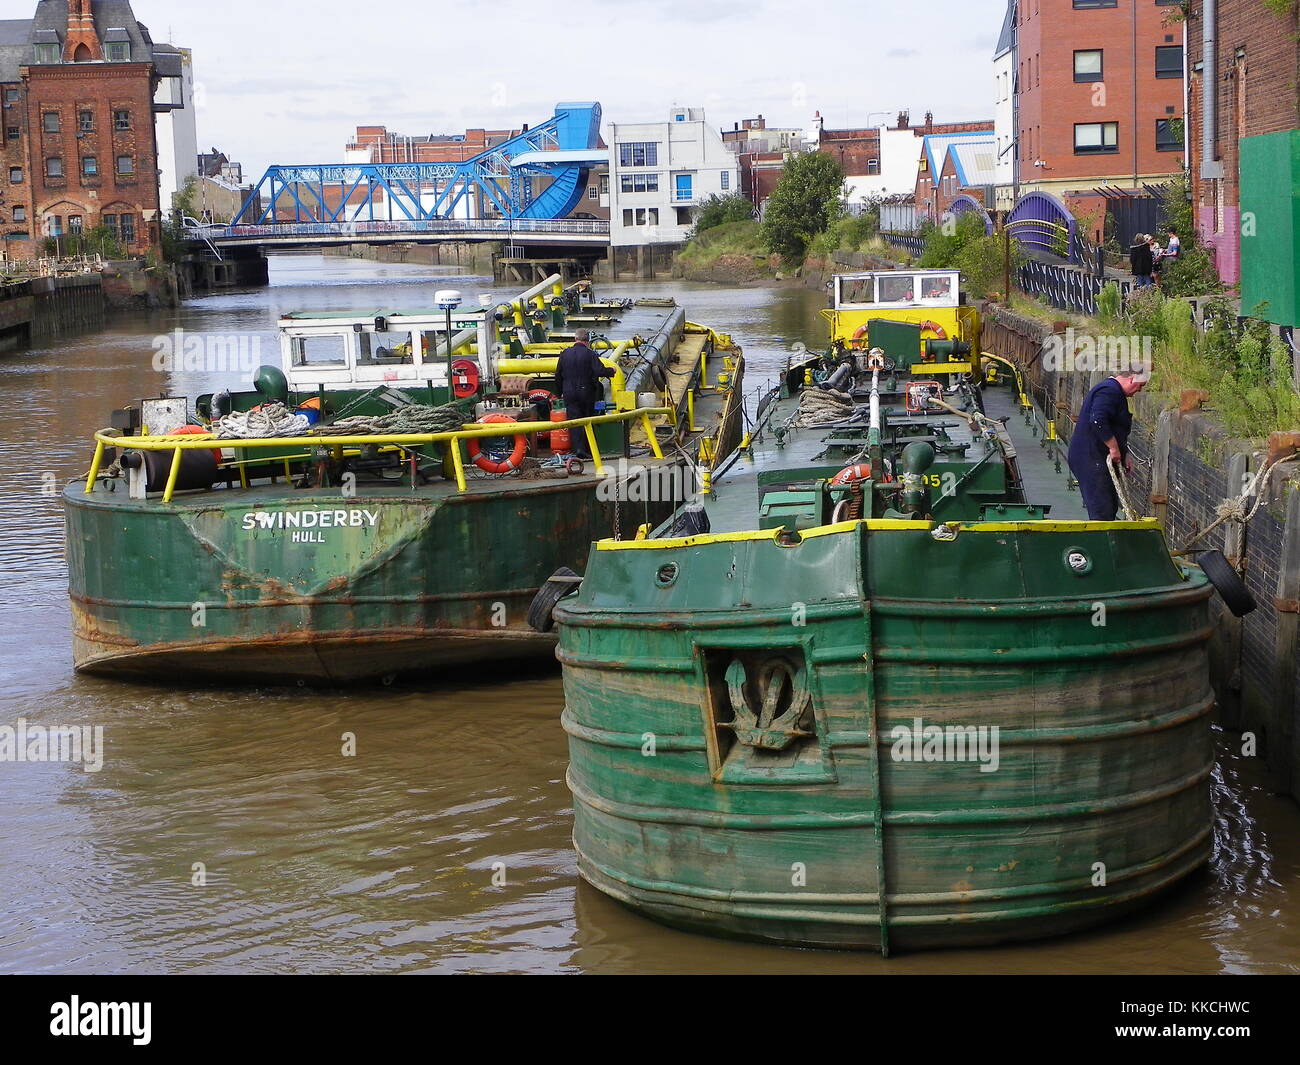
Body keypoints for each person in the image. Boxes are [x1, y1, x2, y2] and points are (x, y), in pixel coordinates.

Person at [1067, 371, 1149, 521]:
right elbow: (1098, 420)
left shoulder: (1112, 391)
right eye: (1140, 385)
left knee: (1109, 505)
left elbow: (1113, 427)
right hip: (1091, 458)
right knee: (1101, 509)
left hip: (1095, 456)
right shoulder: (1109, 391)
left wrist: (1125, 454)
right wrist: (1113, 448)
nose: (1139, 390)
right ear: (1131, 379)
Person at [555, 328, 615, 459]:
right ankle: (589, 449)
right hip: (586, 393)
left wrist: (560, 392)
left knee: (574, 421)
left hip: (569, 393)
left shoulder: (565, 354)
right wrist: (612, 370)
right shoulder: (590, 354)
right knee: (587, 420)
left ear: (575, 339)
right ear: (587, 341)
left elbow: (558, 375)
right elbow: (599, 371)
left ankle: (577, 449)